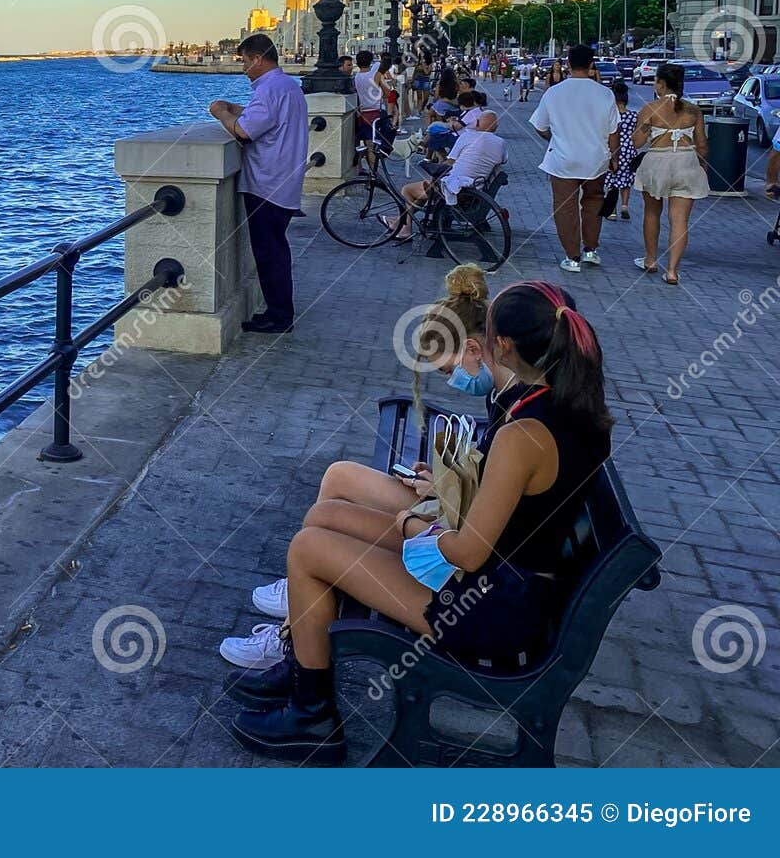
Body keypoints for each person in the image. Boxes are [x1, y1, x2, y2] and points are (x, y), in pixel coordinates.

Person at [228, 282, 612, 763]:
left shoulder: (525, 432)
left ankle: (312, 717)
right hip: (514, 585)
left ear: (505, 347)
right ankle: (303, 661)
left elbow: (470, 551)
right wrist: (445, 491)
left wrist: (413, 524)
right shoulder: (568, 406)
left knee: (309, 549)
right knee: (326, 516)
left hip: (489, 609)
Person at [218, 264, 497, 671]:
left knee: (312, 540)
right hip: (460, 535)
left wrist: (412, 519)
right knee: (338, 479)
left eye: (449, 370)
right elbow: (488, 496)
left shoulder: (522, 425)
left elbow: (475, 540)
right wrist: (443, 483)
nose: (452, 381)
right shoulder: (513, 402)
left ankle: (296, 632)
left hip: (468, 582)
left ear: (475, 348)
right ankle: (303, 597)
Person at [209, 35, 310, 333]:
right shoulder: (288, 86)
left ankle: (279, 317)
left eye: (243, 61)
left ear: (256, 58)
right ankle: (278, 311)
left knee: (270, 254)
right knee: (275, 250)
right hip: (285, 181)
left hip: (268, 184)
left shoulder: (268, 89)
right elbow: (266, 118)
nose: (243, 68)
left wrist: (220, 112)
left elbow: (243, 131)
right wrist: (238, 107)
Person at [529, 45, 617, 273]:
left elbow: (540, 126)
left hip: (562, 160)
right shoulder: (605, 93)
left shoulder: (554, 92)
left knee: (565, 208)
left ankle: (572, 257)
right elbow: (613, 131)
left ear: (567, 64)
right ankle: (590, 249)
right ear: (591, 64)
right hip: (596, 160)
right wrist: (613, 157)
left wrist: (554, 138)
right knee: (593, 203)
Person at [632, 62, 709, 286]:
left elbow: (637, 142)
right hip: (686, 162)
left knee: (651, 213)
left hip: (657, 161)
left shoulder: (650, 109)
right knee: (680, 220)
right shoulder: (694, 111)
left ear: (661, 85)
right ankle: (673, 271)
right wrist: (702, 165)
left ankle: (650, 259)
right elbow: (702, 144)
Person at [387, 111, 506, 241]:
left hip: (457, 193)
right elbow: (502, 160)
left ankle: (406, 229)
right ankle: (399, 220)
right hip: (476, 191)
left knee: (408, 190)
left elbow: (449, 162)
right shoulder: (501, 143)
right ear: (496, 127)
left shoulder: (468, 137)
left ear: (477, 123)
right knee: (423, 191)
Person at [602, 80, 639, 222]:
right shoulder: (634, 116)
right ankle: (624, 205)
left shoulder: (611, 116)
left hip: (613, 149)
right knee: (626, 179)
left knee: (612, 180)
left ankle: (612, 210)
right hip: (629, 150)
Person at [352, 50, 384, 169]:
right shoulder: (374, 74)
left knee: (367, 144)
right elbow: (383, 63)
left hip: (363, 113)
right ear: (370, 62)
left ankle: (366, 169)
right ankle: (374, 171)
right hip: (375, 112)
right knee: (373, 145)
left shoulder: (356, 78)